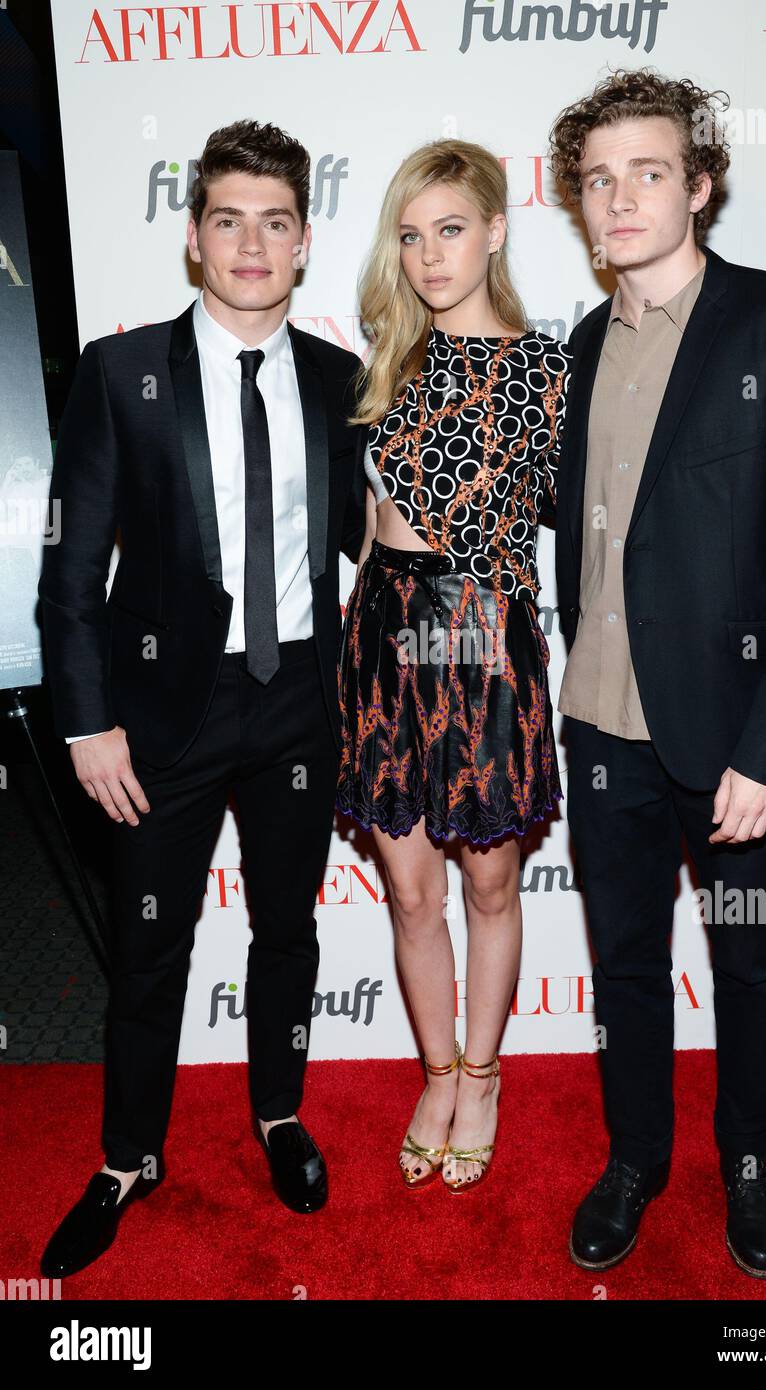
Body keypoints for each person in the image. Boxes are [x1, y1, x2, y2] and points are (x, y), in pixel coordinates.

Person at [38, 119, 367, 1278]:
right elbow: (71, 571)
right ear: (193, 238)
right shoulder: (120, 373)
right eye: (228, 218)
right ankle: (129, 1153)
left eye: (274, 221)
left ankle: (277, 1110)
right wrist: (86, 721)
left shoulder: (339, 380)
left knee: (287, 927)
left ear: (302, 242)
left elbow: (372, 547)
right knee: (149, 947)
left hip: (295, 705)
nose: (251, 242)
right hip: (159, 716)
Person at [548, 69, 766, 1277]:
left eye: (646, 172)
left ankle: (745, 1166)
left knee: (742, 961)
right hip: (602, 725)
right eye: (596, 179)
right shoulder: (580, 347)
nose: (619, 198)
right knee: (623, 964)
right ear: (577, 204)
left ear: (700, 184)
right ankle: (636, 1159)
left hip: (734, 741)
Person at [337, 139, 570, 1192]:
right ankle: (434, 1070)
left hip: (478, 632)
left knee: (485, 881)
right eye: (410, 234)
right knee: (409, 890)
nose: (430, 256)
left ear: (494, 231)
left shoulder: (546, 367)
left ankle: (483, 1075)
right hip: (382, 628)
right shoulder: (386, 355)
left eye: (450, 229)